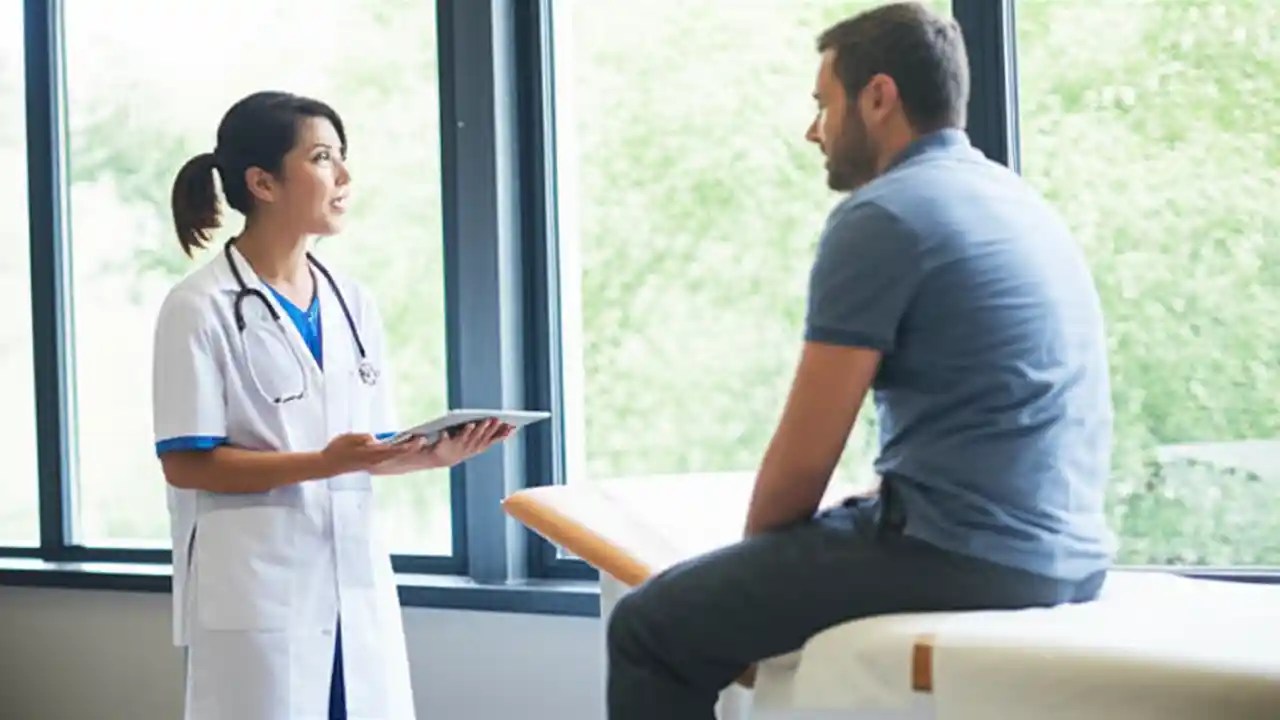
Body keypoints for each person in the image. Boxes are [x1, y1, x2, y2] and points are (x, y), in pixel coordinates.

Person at [604, 3, 1117, 718]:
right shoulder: (1011, 198)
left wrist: (750, 596)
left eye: (823, 103)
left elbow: (805, 455)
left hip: (969, 556)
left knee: (649, 628)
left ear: (878, 97)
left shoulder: (884, 215)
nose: (813, 130)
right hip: (1070, 554)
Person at [152, 90, 513, 720]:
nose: (344, 176)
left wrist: (431, 456)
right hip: (260, 588)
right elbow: (187, 463)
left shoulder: (352, 301)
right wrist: (325, 462)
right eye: (322, 158)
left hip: (353, 584)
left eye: (342, 157)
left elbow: (362, 453)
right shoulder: (199, 306)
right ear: (262, 182)